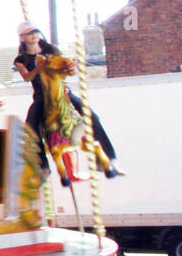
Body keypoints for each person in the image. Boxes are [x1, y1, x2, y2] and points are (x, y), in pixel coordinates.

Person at [13, 21, 122, 176]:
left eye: (36, 32)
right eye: (30, 33)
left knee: (91, 115)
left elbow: (66, 70)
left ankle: (109, 157)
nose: (34, 35)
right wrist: (39, 68)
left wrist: (71, 68)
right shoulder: (21, 59)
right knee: (31, 125)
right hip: (41, 96)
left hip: (63, 92)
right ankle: (42, 166)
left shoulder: (51, 50)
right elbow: (26, 77)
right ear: (23, 38)